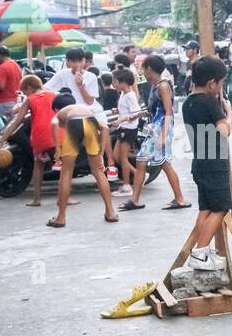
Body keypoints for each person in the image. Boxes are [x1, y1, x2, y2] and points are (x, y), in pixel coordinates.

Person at [181, 56, 232, 269]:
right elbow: (223, 131)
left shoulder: (188, 103)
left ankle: (200, 250)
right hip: (214, 164)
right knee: (221, 207)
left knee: (206, 208)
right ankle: (201, 253)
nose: (220, 87)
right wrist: (228, 114)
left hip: (200, 163)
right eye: (220, 83)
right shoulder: (209, 103)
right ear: (212, 83)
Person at [46, 92, 119, 228]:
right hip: (90, 123)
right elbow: (105, 128)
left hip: (74, 123)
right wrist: (101, 154)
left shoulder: (60, 113)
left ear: (56, 109)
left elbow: (54, 123)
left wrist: (57, 149)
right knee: (98, 171)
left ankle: (60, 217)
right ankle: (110, 212)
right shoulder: (85, 109)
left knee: (66, 172)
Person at [131, 54, 189, 211]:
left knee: (163, 163)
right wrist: (139, 114)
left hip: (161, 128)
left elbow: (168, 111)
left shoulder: (163, 86)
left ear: (149, 69)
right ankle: (134, 199)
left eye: (143, 69)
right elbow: (157, 110)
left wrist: (163, 134)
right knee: (142, 160)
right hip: (156, 127)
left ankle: (180, 198)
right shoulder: (156, 85)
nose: (143, 72)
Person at [0, 74, 54, 207]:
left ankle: (36, 199)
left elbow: (17, 121)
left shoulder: (29, 99)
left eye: (25, 91)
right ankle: (67, 198)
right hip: (56, 135)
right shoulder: (53, 95)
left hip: (40, 136)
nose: (25, 94)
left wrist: (1, 141)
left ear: (30, 87)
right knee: (65, 165)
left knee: (38, 165)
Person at [111, 68, 143, 199]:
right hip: (123, 128)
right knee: (116, 156)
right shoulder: (123, 93)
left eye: (116, 82)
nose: (114, 84)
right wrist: (117, 111)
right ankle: (138, 174)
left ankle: (127, 185)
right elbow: (125, 110)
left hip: (128, 129)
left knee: (123, 158)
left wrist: (122, 119)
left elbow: (137, 113)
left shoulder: (130, 95)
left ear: (123, 82)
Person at [0, 46, 23, 122]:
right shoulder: (16, 65)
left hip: (3, 102)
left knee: (2, 128)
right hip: (15, 100)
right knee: (12, 126)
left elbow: (1, 86)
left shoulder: (2, 67)